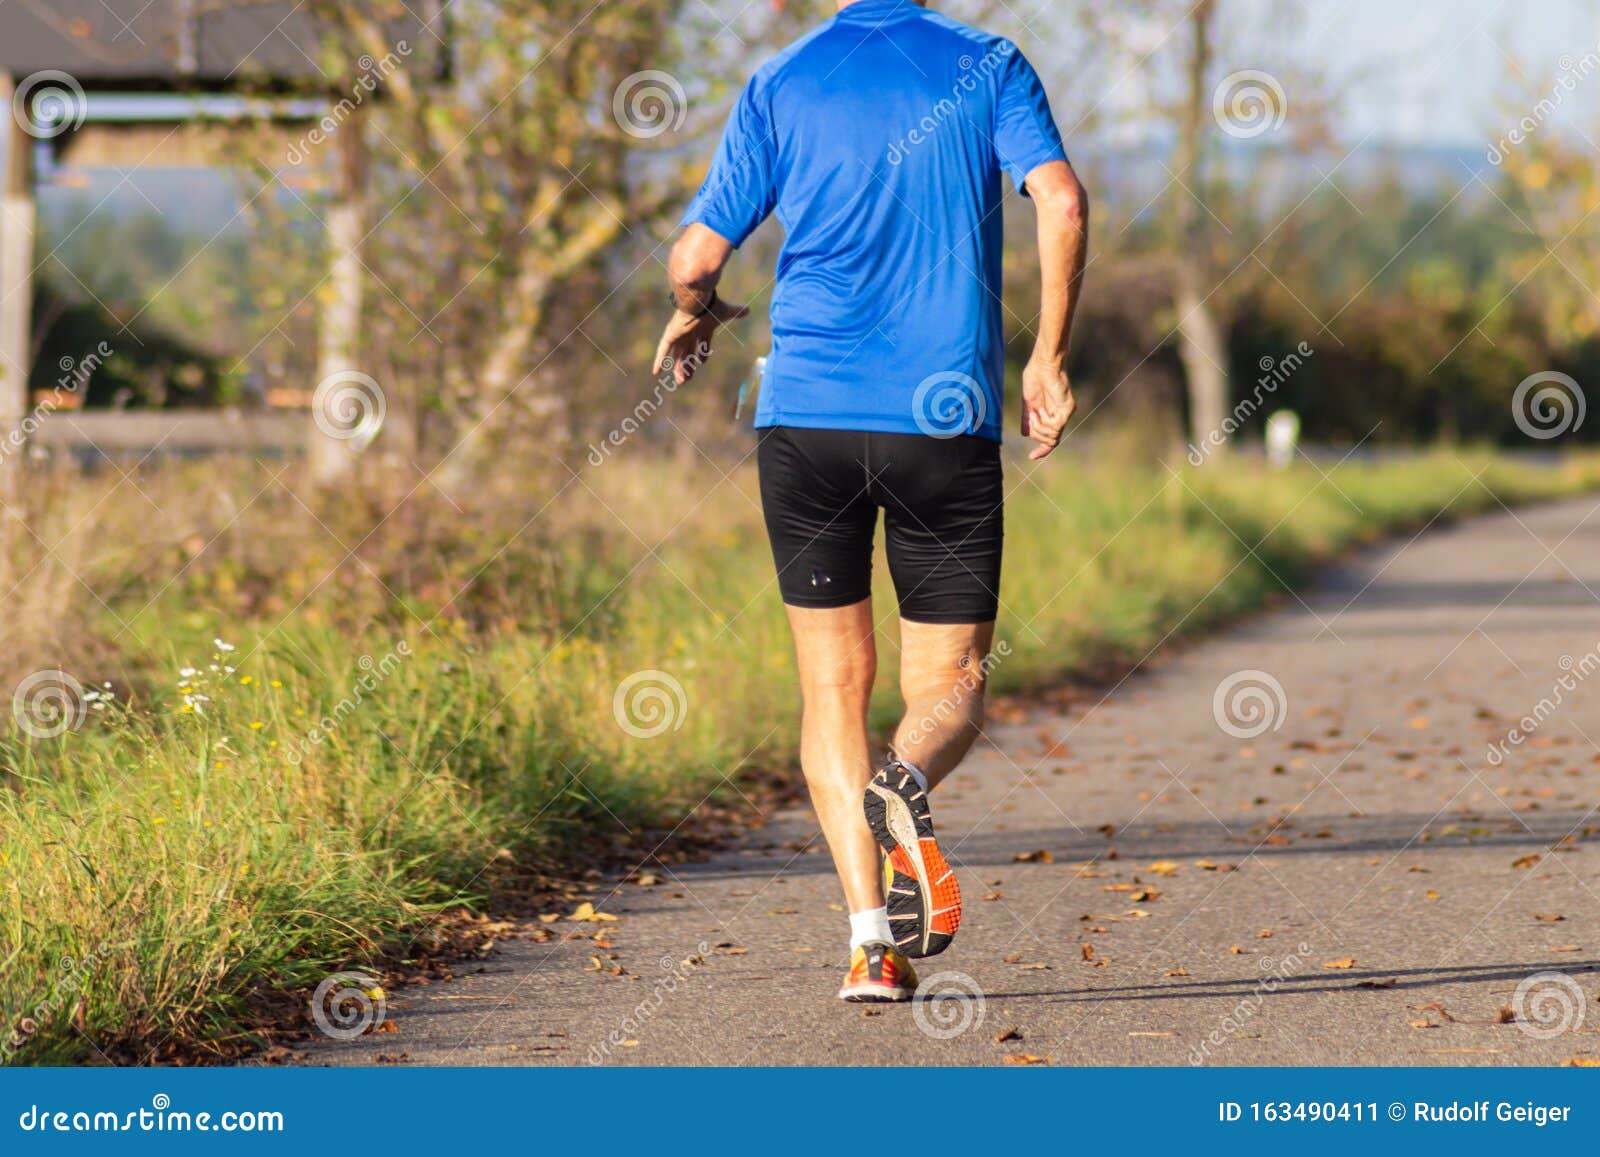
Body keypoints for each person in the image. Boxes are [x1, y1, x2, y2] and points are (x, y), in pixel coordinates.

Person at [653, 0, 1088, 1002]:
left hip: (804, 420)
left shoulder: (782, 79)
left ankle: (869, 947)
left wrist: (694, 315)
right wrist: (1048, 356)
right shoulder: (987, 63)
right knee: (951, 686)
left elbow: (695, 257)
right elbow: (1059, 203)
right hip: (943, 418)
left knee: (830, 689)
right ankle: (906, 780)